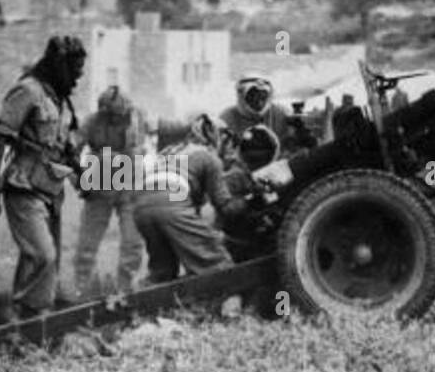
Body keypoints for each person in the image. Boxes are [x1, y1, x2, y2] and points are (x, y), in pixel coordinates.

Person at [0, 35, 86, 319]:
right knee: (43, 256)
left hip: (51, 192)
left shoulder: (61, 100)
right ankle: (31, 317)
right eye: (75, 70)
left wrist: (85, 178)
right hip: (23, 187)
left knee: (41, 260)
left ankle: (26, 323)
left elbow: (66, 149)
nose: (79, 76)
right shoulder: (28, 91)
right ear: (60, 65)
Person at [134, 114, 244, 284]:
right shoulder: (209, 157)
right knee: (217, 263)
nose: (228, 146)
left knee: (162, 271)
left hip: (141, 208)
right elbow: (225, 207)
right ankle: (231, 305)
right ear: (213, 135)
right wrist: (251, 199)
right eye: (224, 138)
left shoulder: (169, 151)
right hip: (170, 204)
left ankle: (141, 304)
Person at [72, 85, 147, 298]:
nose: (120, 119)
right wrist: (80, 181)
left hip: (130, 184)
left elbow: (158, 133)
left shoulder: (138, 117)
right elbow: (70, 152)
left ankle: (126, 288)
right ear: (104, 112)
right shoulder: (91, 122)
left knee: (132, 241)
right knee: (88, 243)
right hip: (100, 183)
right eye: (114, 116)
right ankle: (82, 288)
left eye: (123, 114)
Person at [218, 73, 298, 158]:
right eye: (253, 96)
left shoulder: (281, 114)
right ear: (241, 96)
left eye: (263, 97)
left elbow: (291, 147)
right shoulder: (227, 117)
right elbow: (223, 153)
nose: (259, 102)